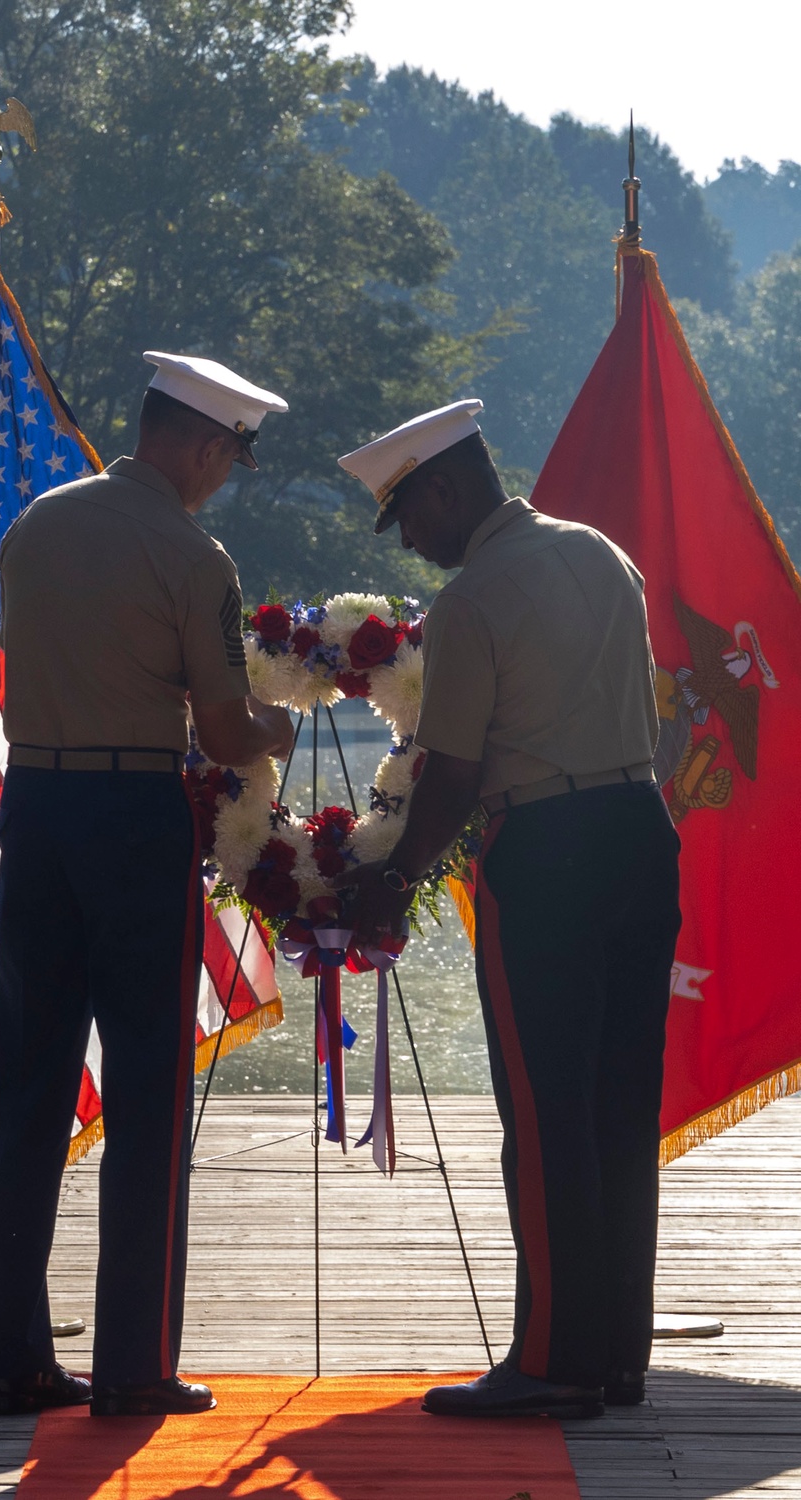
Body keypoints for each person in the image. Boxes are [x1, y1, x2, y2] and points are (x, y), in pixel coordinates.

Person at [335, 399, 681, 1419]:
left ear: (443, 491)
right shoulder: (603, 554)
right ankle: (617, 1354)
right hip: (639, 836)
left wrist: (390, 880)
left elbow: (450, 774)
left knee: (542, 1112)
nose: (413, 542)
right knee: (620, 1108)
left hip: (548, 854)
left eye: (409, 520)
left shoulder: (476, 597)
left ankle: (547, 1362)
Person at [0, 352, 295, 1418]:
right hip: (132, 821)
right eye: (228, 461)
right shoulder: (193, 558)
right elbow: (219, 728)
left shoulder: (37, 525)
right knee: (148, 1092)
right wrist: (276, 727)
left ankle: (14, 1361)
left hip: (35, 809)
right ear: (205, 445)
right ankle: (134, 1365)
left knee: (28, 1086)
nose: (224, 480)